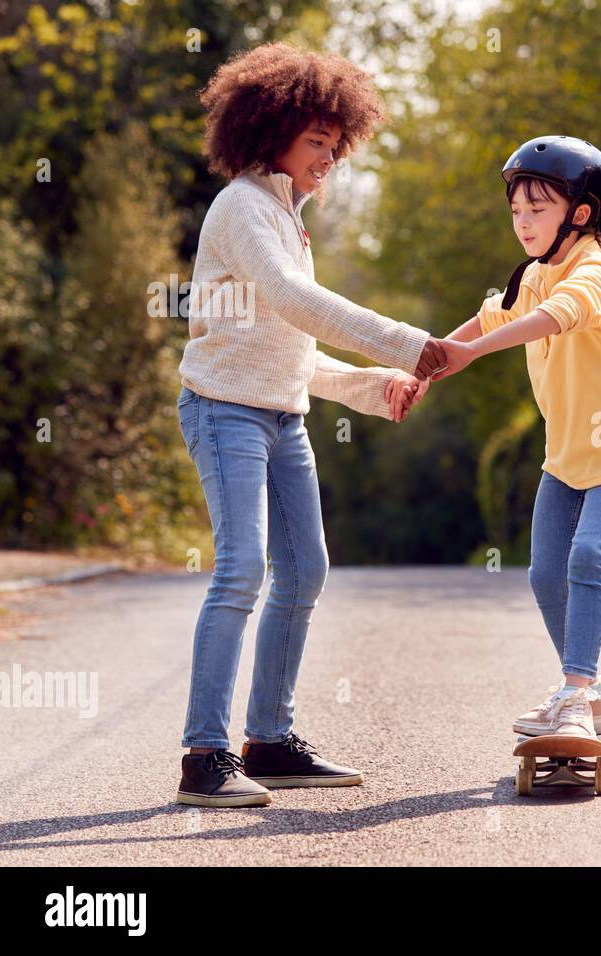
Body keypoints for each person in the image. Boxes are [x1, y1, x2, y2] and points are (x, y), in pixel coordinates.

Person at [174, 42, 447, 807]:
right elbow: (295, 303)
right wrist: (410, 343)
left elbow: (290, 354)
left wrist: (377, 383)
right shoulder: (243, 207)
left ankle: (270, 741)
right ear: (271, 135)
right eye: (315, 143)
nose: (328, 158)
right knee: (242, 570)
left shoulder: (289, 219)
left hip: (280, 419)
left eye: (336, 145)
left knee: (307, 570)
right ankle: (204, 755)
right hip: (224, 411)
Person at [419, 135, 601, 742]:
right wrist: (425, 367)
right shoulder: (534, 275)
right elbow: (491, 314)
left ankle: (575, 694)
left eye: (539, 210)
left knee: (585, 556)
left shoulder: (594, 272)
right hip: (566, 457)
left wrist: (475, 351)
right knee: (543, 575)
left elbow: (556, 315)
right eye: (516, 212)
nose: (523, 224)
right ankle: (592, 691)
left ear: (580, 215)